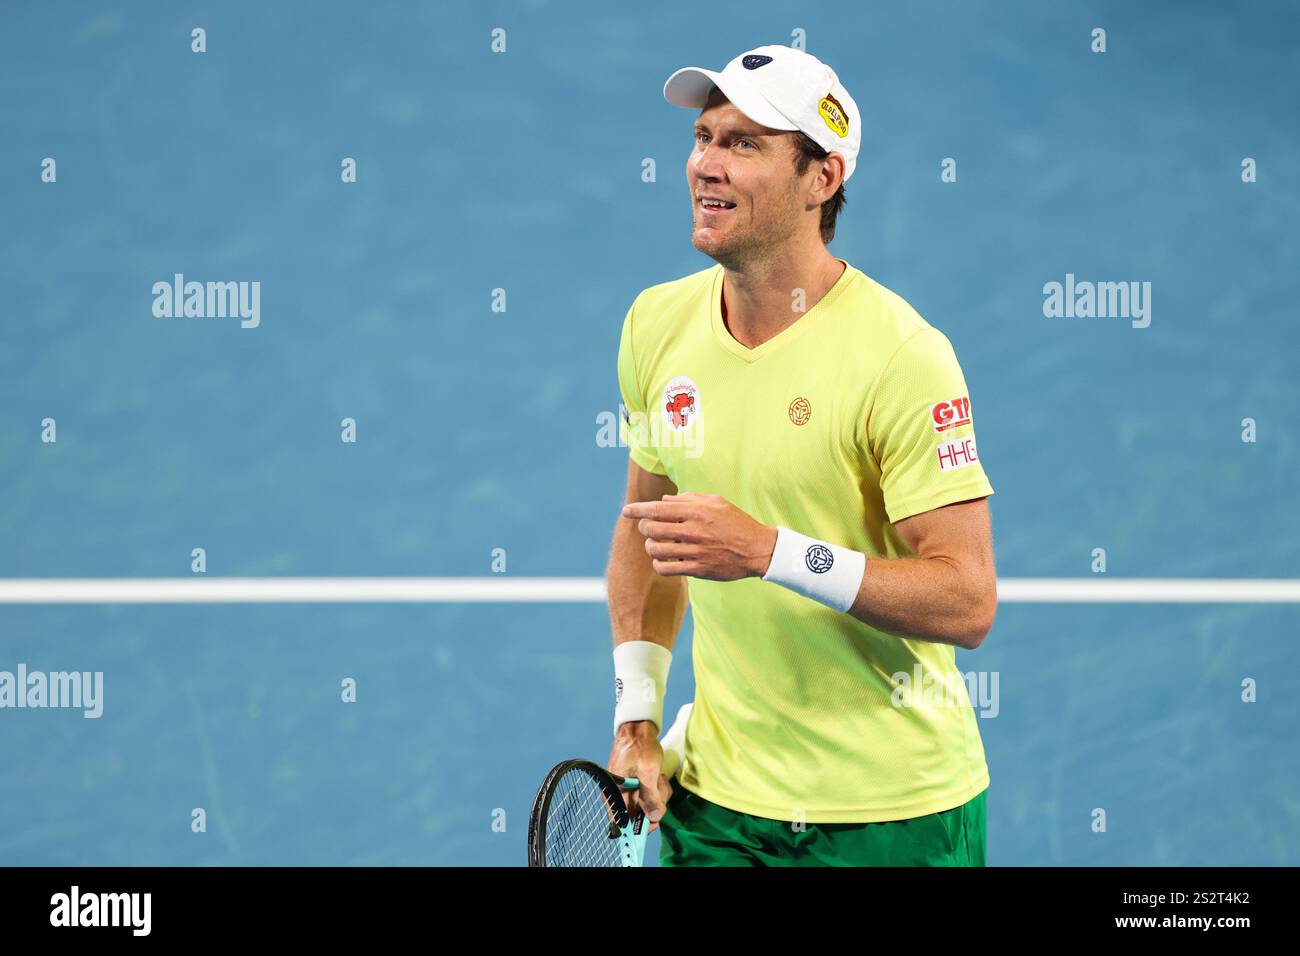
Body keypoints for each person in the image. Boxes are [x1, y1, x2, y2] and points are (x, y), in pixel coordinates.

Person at [605, 45, 997, 866]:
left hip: (891, 817)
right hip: (717, 804)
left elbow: (966, 602)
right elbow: (648, 530)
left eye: (744, 144)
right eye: (705, 136)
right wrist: (637, 719)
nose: (706, 164)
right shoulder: (656, 324)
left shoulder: (903, 358)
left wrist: (769, 552)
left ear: (822, 179)